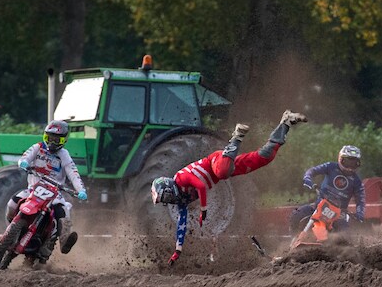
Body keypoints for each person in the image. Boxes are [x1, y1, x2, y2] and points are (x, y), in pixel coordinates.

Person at [151, 110, 307, 265]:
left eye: (165, 196)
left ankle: (236, 137)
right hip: (222, 169)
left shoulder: (180, 178)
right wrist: (177, 252)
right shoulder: (182, 200)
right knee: (264, 157)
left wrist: (203, 210)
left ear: (168, 187)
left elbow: (200, 185)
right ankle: (285, 123)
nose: (168, 200)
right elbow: (181, 225)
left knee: (222, 171)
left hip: (215, 162)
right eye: (164, 200)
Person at [12, 120, 87, 263]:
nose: (52, 142)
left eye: (56, 139)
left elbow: (73, 172)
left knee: (64, 211)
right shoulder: (38, 147)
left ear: (64, 140)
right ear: (45, 137)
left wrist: (81, 190)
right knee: (12, 203)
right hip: (33, 188)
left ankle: (64, 241)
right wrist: (23, 162)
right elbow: (26, 156)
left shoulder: (64, 155)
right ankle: (12, 229)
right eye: (49, 138)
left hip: (54, 193)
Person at [289, 145, 366, 233]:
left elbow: (361, 200)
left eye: (353, 163)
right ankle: (294, 239)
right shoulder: (331, 166)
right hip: (319, 204)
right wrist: (308, 179)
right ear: (341, 159)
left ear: (358, 164)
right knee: (296, 214)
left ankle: (335, 245)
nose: (350, 166)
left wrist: (359, 215)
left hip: (339, 213)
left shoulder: (357, 182)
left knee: (345, 234)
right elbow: (312, 171)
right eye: (348, 162)